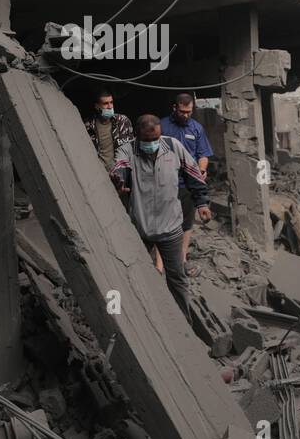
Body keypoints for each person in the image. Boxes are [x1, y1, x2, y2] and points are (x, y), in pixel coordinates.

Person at [112, 114, 211, 319]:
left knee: (177, 279)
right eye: (147, 141)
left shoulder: (173, 147)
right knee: (133, 276)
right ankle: (143, 321)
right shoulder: (128, 149)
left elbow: (193, 174)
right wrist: (119, 179)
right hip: (140, 229)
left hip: (171, 228)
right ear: (137, 136)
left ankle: (183, 325)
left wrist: (201, 202)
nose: (152, 144)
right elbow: (119, 166)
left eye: (156, 139)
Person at [160, 92, 213, 277]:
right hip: (166, 184)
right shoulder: (162, 126)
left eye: (189, 112)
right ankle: (160, 265)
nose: (186, 115)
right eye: (182, 112)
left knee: (186, 224)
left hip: (188, 185)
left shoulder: (196, 128)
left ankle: (181, 260)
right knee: (165, 222)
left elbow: (203, 154)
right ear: (174, 108)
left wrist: (201, 170)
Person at [84, 88, 134, 172]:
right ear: (97, 106)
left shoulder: (122, 121)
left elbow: (130, 148)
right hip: (99, 172)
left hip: (120, 172)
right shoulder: (88, 126)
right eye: (105, 103)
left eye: (111, 102)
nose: (110, 106)